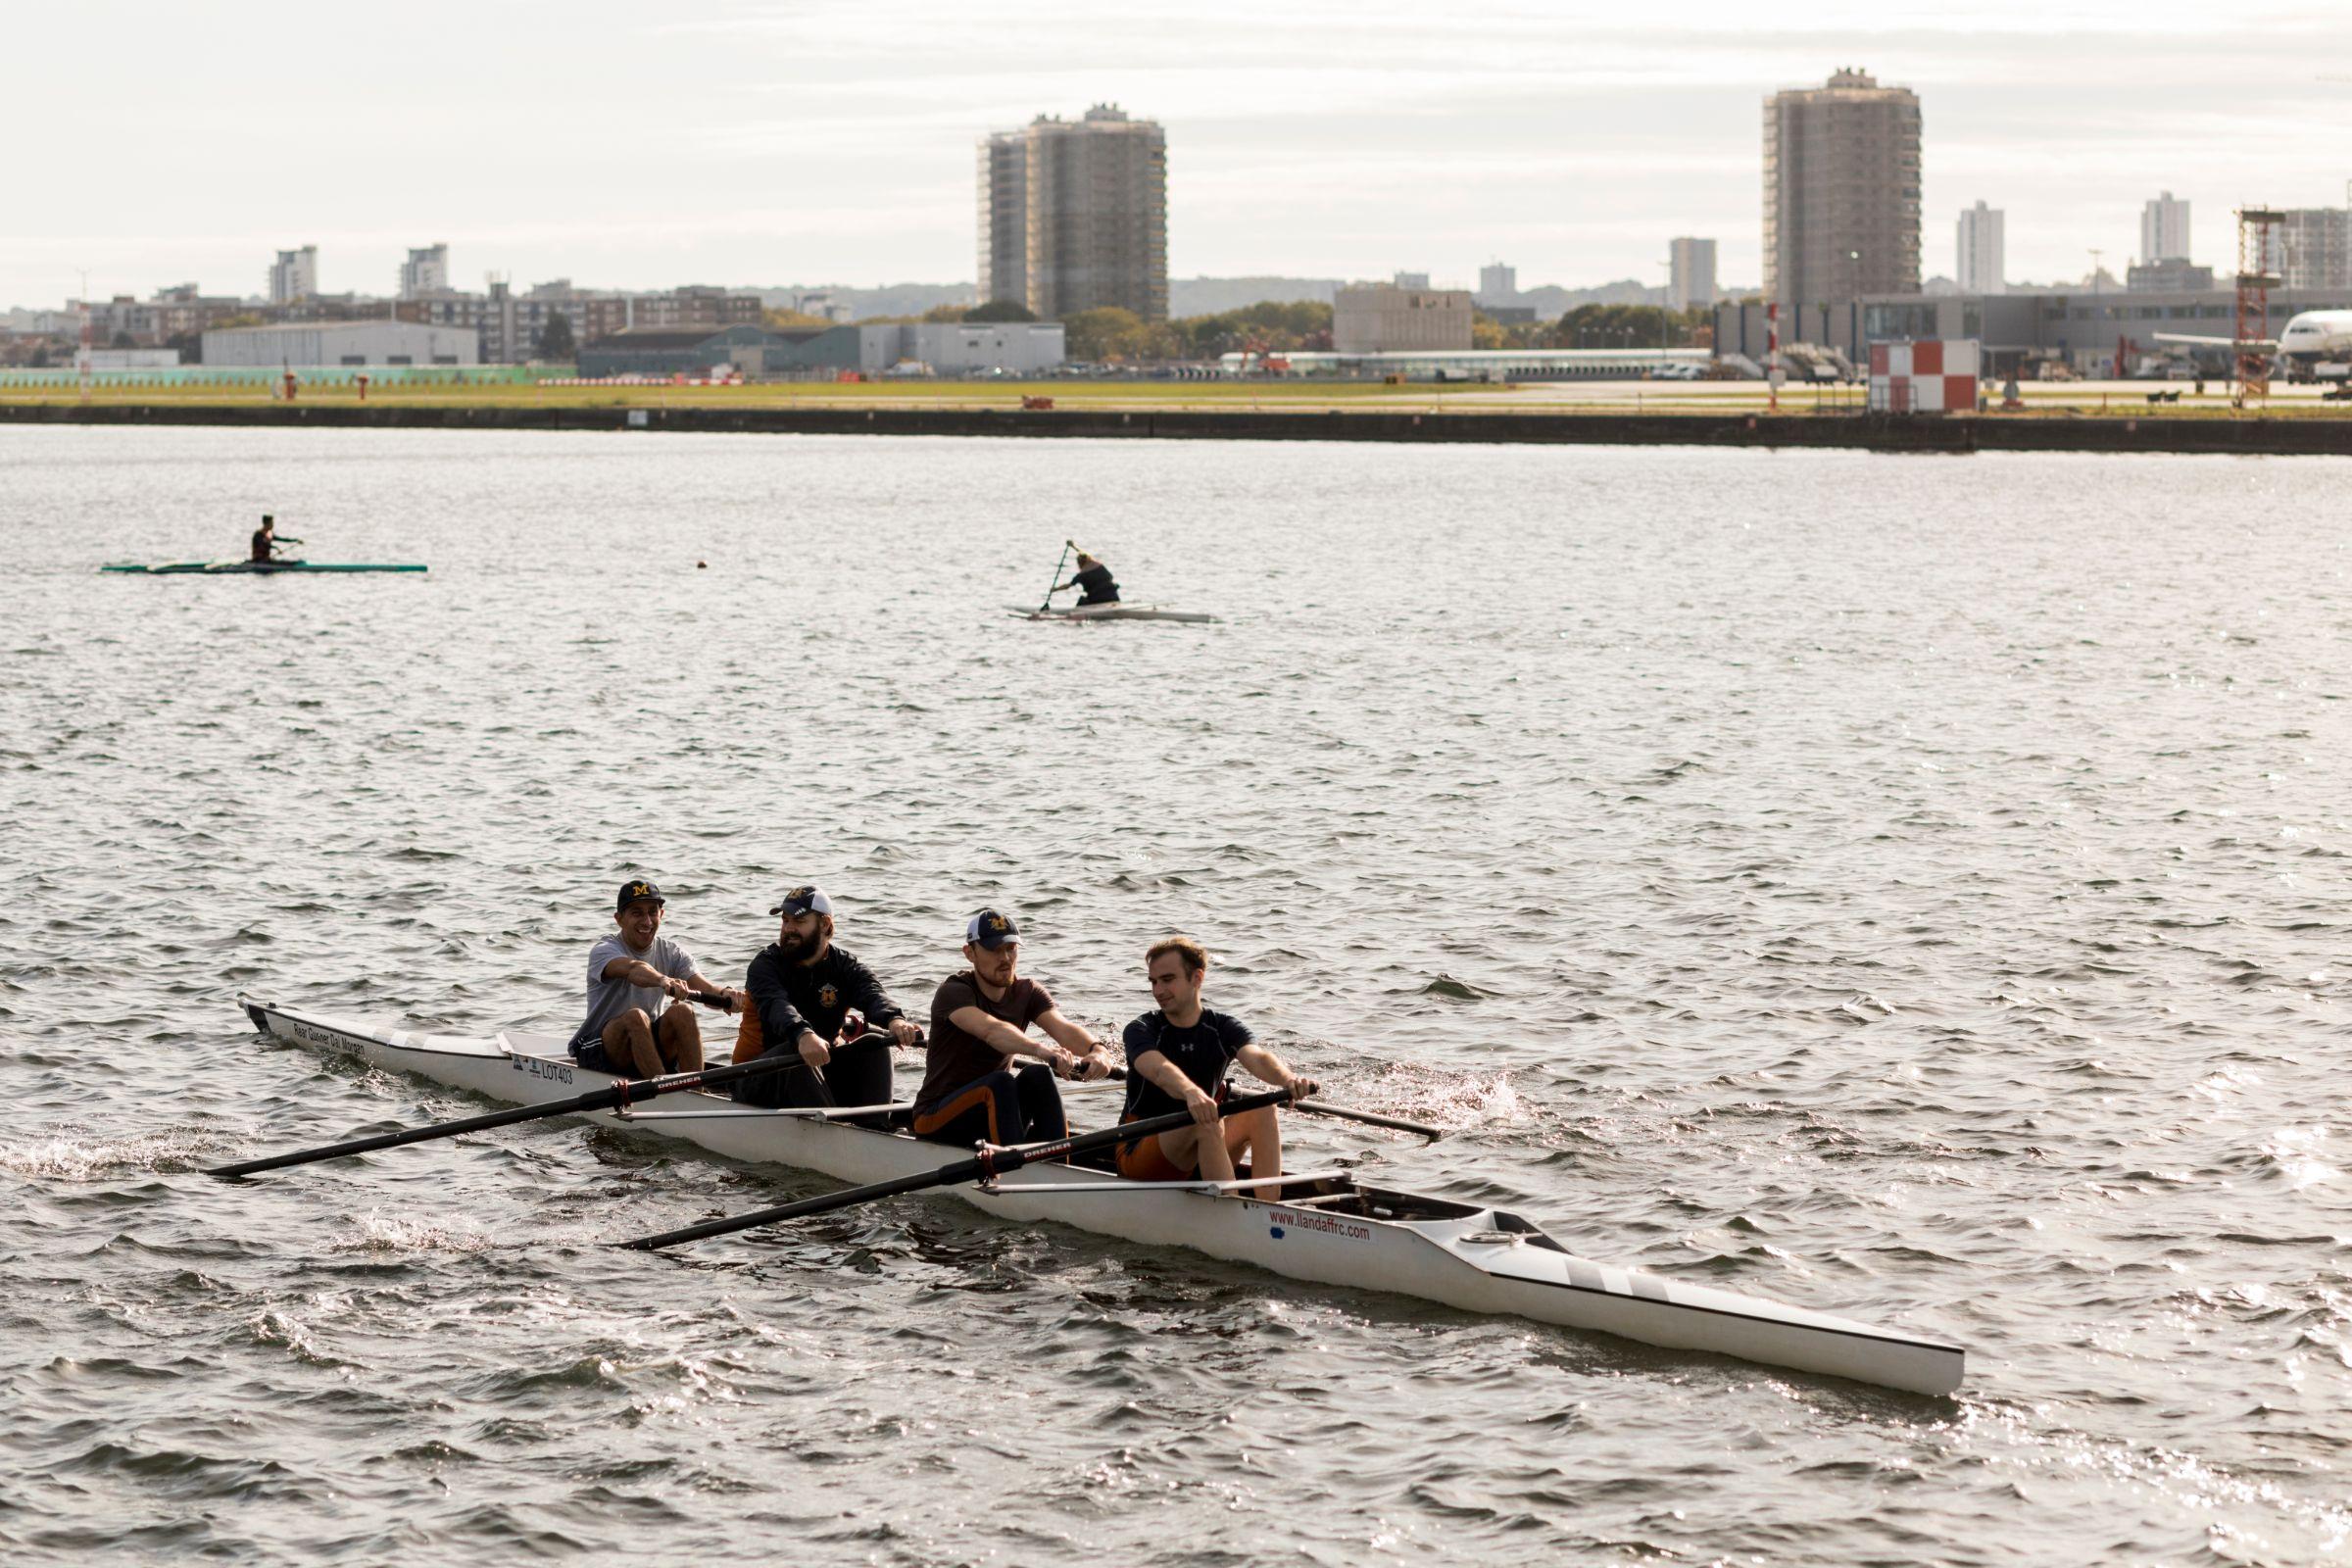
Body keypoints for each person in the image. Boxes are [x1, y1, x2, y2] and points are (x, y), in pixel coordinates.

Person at [1115, 937, 1317, 1196]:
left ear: (1197, 978)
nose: (1158, 991)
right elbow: (1158, 1069)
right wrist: (1191, 1092)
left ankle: (1269, 1213)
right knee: (1205, 1118)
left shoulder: (1222, 1028)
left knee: (1263, 1108)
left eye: (1167, 980)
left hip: (1202, 1141)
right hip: (1138, 1149)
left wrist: (1288, 1079)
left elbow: (1256, 1057)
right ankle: (1232, 1217)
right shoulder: (1141, 1029)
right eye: (1153, 982)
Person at [911, 908, 1112, 1147]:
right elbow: (991, 1030)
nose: (1005, 958)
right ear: (970, 953)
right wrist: (1042, 1051)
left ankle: (1058, 1163)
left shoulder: (1028, 992)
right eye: (994, 950)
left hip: (991, 1110)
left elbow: (1063, 1028)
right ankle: (1014, 1170)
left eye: (1010, 948)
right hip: (935, 1117)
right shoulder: (954, 992)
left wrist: (1098, 1050)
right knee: (1000, 1082)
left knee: (1038, 1075)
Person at [732, 885, 922, 1116]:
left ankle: (876, 1126)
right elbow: (777, 1006)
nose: (789, 929)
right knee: (796, 1051)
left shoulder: (845, 966)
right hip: (755, 1077)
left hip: (818, 1071)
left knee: (875, 1043)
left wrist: (895, 1020)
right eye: (785, 920)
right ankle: (835, 1134)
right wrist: (803, 1035)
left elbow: (873, 994)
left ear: (825, 925)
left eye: (799, 921)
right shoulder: (765, 966)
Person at [570, 878, 741, 1079]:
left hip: (646, 1045)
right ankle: (666, 1091)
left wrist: (727, 994)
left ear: (662, 914)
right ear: (619, 919)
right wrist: (663, 980)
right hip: (599, 1051)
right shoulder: (604, 950)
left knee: (683, 1011)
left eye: (652, 912)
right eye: (637, 913)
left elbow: (705, 987)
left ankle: (695, 1090)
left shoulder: (671, 952)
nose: (647, 921)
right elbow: (633, 969)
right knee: (636, 1017)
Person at [1053, 551, 1119, 607]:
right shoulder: (1101, 567)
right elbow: (1110, 577)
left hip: (1097, 600)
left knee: (1082, 600)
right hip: (1114, 597)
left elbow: (1068, 586)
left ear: (1079, 563)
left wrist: (1055, 589)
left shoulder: (1081, 575)